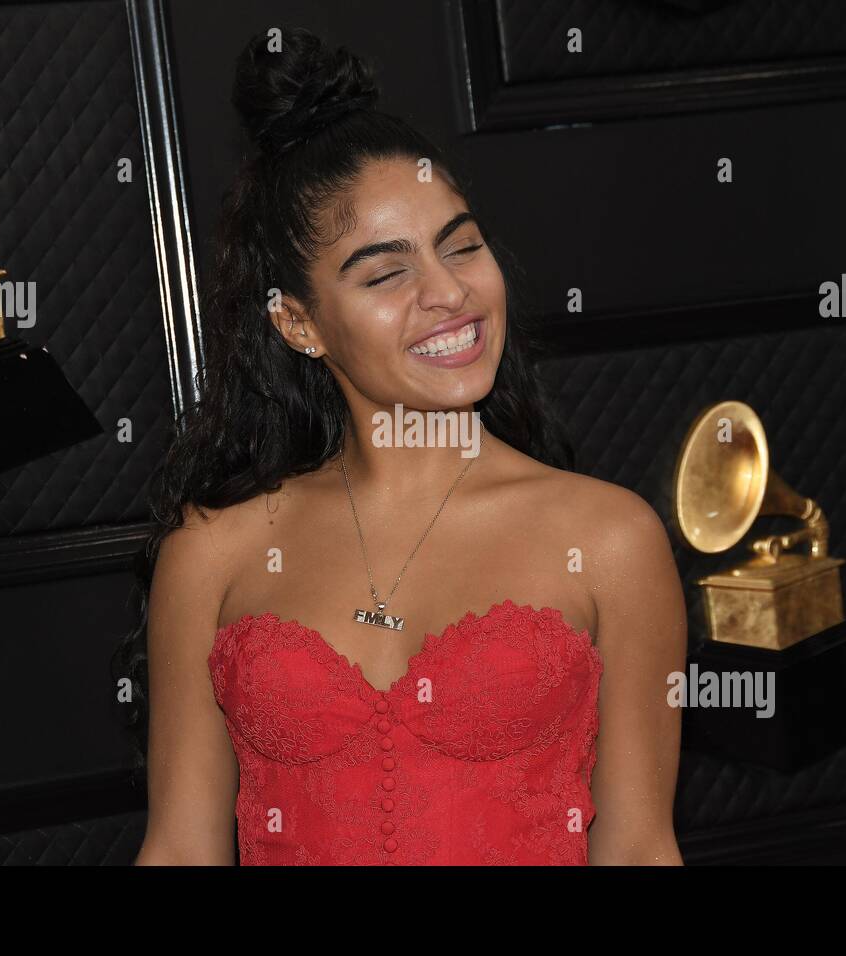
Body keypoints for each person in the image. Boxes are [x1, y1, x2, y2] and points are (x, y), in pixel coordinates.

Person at [119, 25, 686, 865]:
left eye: (461, 246)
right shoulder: (213, 552)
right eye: (387, 275)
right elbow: (178, 852)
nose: (450, 292)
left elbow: (639, 850)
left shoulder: (607, 539)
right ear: (298, 322)